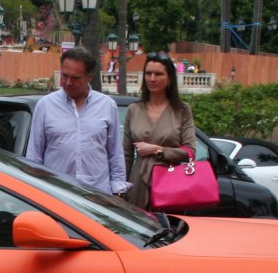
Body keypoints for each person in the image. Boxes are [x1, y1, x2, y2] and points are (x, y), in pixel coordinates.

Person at [25, 47, 129, 195]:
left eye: (75, 78)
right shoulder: (46, 106)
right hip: (57, 194)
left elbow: (115, 154)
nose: (68, 82)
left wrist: (118, 190)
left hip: (97, 196)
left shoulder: (107, 106)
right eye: (64, 76)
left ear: (89, 77)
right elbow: (34, 155)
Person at [123, 53, 195, 210]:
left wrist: (157, 150)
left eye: (158, 74)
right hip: (138, 184)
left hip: (170, 182)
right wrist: (121, 187)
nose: (152, 79)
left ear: (169, 77)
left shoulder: (181, 110)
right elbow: (126, 155)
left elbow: (190, 151)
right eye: (148, 73)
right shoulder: (134, 110)